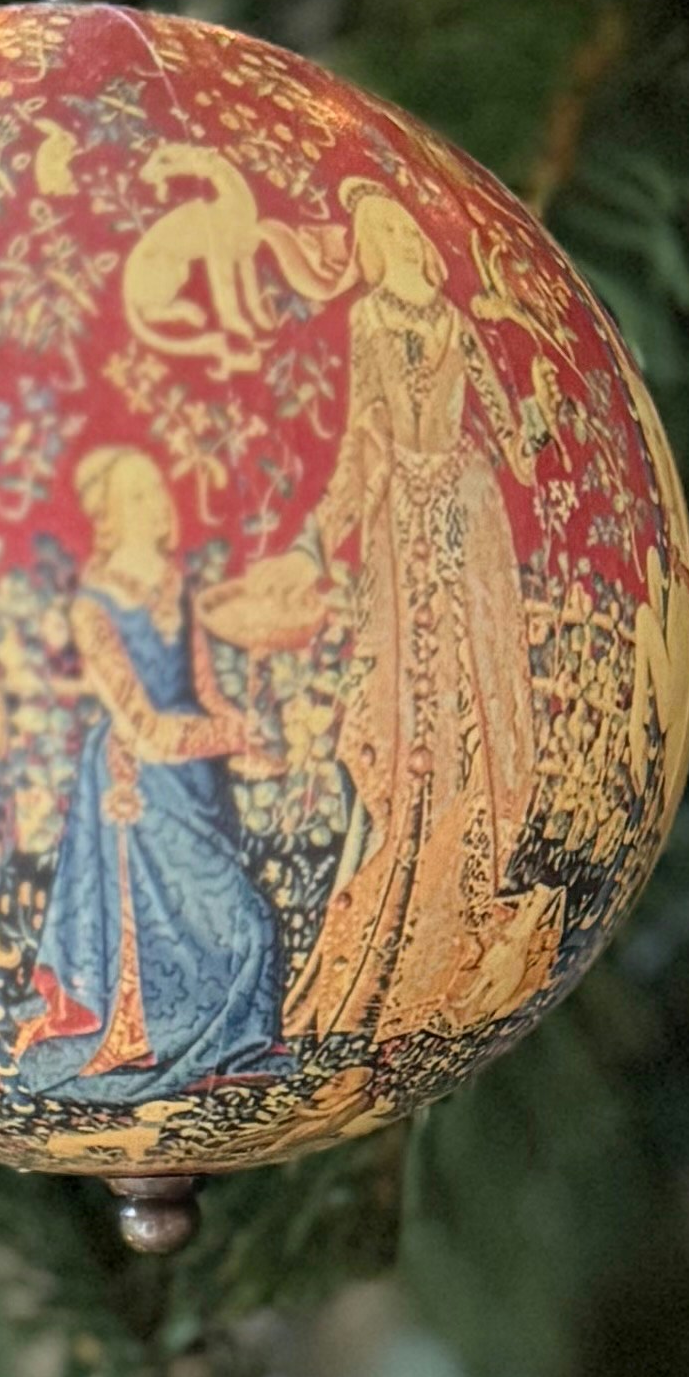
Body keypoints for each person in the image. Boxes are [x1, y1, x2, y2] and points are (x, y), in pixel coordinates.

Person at [288, 183, 547, 1060]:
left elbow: (511, 439)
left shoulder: (453, 320)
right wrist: (325, 526)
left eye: (404, 226)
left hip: (466, 513)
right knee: (410, 708)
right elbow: (361, 431)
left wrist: (539, 410)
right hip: (403, 519)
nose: (400, 240)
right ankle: (408, 893)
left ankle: (467, 890)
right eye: (384, 232)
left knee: (472, 693)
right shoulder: (368, 321)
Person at [11, 445, 288, 1097]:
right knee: (231, 925)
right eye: (137, 496)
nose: (155, 505)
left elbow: (207, 693)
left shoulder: (174, 585)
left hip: (199, 783)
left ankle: (229, 1052)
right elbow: (146, 728)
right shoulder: (93, 608)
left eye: (155, 491)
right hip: (138, 783)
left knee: (246, 922)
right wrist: (227, 733)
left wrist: (251, 734)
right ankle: (162, 1041)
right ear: (110, 513)